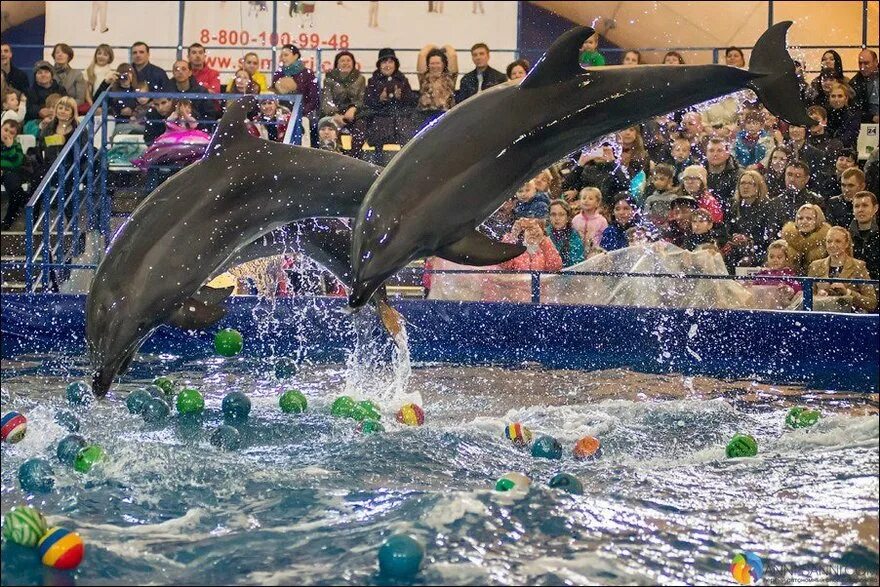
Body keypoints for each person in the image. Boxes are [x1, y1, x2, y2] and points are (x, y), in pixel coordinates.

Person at [808, 226, 877, 312]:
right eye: (829, 241)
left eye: (838, 241)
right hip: (821, 317)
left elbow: (871, 303)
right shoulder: (815, 266)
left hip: (850, 319)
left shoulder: (858, 266)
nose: (832, 245)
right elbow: (807, 298)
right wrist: (818, 297)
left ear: (846, 244)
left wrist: (847, 292)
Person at [363, 48, 416, 151]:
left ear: (395, 64)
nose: (387, 65)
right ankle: (378, 160)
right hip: (380, 117)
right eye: (384, 62)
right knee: (380, 129)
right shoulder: (373, 81)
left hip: (400, 117)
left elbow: (411, 101)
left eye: (390, 62)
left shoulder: (403, 81)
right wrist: (380, 99)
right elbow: (368, 102)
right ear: (379, 65)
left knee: (405, 131)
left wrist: (400, 97)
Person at [728, 170, 781, 264]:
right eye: (742, 183)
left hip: (760, 250)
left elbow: (769, 236)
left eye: (750, 183)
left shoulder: (769, 207)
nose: (745, 186)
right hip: (738, 250)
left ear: (758, 187)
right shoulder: (735, 207)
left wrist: (748, 239)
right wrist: (734, 237)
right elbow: (729, 230)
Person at [321, 50, 366, 156]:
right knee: (329, 125)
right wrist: (336, 115)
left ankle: (355, 157)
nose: (345, 63)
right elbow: (327, 100)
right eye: (342, 61)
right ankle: (334, 155)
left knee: (361, 126)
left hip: (354, 114)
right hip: (334, 113)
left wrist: (353, 108)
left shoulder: (360, 79)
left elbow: (361, 99)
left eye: (348, 60)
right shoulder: (329, 79)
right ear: (337, 64)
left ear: (353, 63)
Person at [780, 203, 831, 274]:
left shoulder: (827, 241)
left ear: (817, 221)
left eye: (809, 218)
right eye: (800, 218)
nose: (804, 222)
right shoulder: (786, 241)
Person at [35, 96, 79, 179]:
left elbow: (82, 149)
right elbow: (41, 145)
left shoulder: (79, 128)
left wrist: (65, 141)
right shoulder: (48, 127)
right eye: (60, 108)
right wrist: (54, 140)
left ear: (72, 113)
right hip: (50, 167)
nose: (62, 111)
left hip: (71, 168)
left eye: (67, 109)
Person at [416, 44, 458, 128]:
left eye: (438, 63)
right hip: (425, 116)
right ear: (428, 65)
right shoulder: (424, 77)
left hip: (446, 116)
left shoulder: (449, 78)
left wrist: (444, 47)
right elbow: (422, 54)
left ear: (443, 64)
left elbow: (453, 54)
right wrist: (433, 46)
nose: (435, 66)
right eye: (432, 63)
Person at [273, 44, 320, 118]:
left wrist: (300, 112)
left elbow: (314, 98)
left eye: (286, 55)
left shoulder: (308, 74)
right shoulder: (278, 74)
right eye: (281, 56)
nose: (283, 58)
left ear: (296, 56)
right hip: (282, 113)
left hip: (304, 113)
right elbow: (274, 96)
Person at [1, 119, 29, 229]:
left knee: (13, 186)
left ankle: (9, 219)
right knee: (17, 192)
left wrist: (10, 147)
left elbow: (17, 163)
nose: (7, 134)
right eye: (5, 130)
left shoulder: (16, 146)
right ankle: (25, 200)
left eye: (11, 133)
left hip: (11, 173)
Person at [704, 138, 739, 216]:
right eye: (711, 150)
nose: (715, 154)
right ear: (706, 153)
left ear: (727, 154)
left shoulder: (738, 175)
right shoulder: (698, 173)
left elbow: (736, 203)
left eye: (719, 150)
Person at [546, 199, 586, 266]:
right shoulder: (544, 233)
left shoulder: (574, 236)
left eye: (561, 214)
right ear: (549, 217)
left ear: (567, 218)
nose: (557, 218)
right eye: (553, 214)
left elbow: (576, 262)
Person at [849, 191, 878, 279]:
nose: (860, 209)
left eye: (865, 205)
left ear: (875, 208)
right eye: (857, 206)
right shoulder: (845, 236)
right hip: (851, 287)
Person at [824, 82, 861, 149]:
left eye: (840, 96)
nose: (836, 99)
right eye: (833, 96)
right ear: (829, 98)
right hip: (825, 150)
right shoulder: (823, 113)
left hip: (846, 151)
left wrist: (832, 145)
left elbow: (849, 136)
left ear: (846, 98)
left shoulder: (853, 114)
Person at [642, 163, 680, 228]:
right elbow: (646, 217)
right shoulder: (650, 199)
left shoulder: (674, 198)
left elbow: (675, 217)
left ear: (670, 180)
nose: (657, 182)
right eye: (655, 179)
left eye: (662, 179)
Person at [51, 43, 86, 107]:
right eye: (57, 52)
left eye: (64, 52)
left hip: (70, 109)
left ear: (69, 56)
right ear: (54, 56)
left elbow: (80, 100)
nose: (60, 55)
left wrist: (66, 107)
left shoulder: (77, 74)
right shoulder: (48, 74)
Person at [849, 49, 879, 123]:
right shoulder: (854, 83)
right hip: (867, 124)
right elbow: (853, 110)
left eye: (866, 63)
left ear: (876, 62)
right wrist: (872, 118)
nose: (862, 67)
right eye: (860, 63)